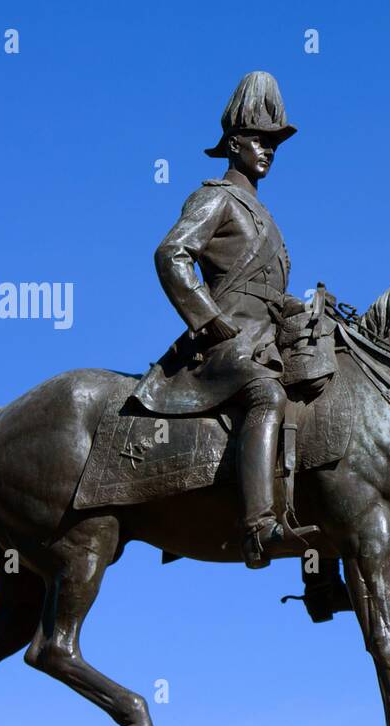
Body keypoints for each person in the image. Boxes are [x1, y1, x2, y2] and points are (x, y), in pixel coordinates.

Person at [132, 71, 312, 569]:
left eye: (274, 143)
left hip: (266, 345)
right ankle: (258, 527)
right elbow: (171, 254)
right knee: (266, 395)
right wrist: (206, 319)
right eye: (259, 140)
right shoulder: (215, 197)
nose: (268, 150)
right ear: (233, 144)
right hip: (224, 349)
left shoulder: (265, 217)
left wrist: (299, 309)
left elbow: (266, 296)